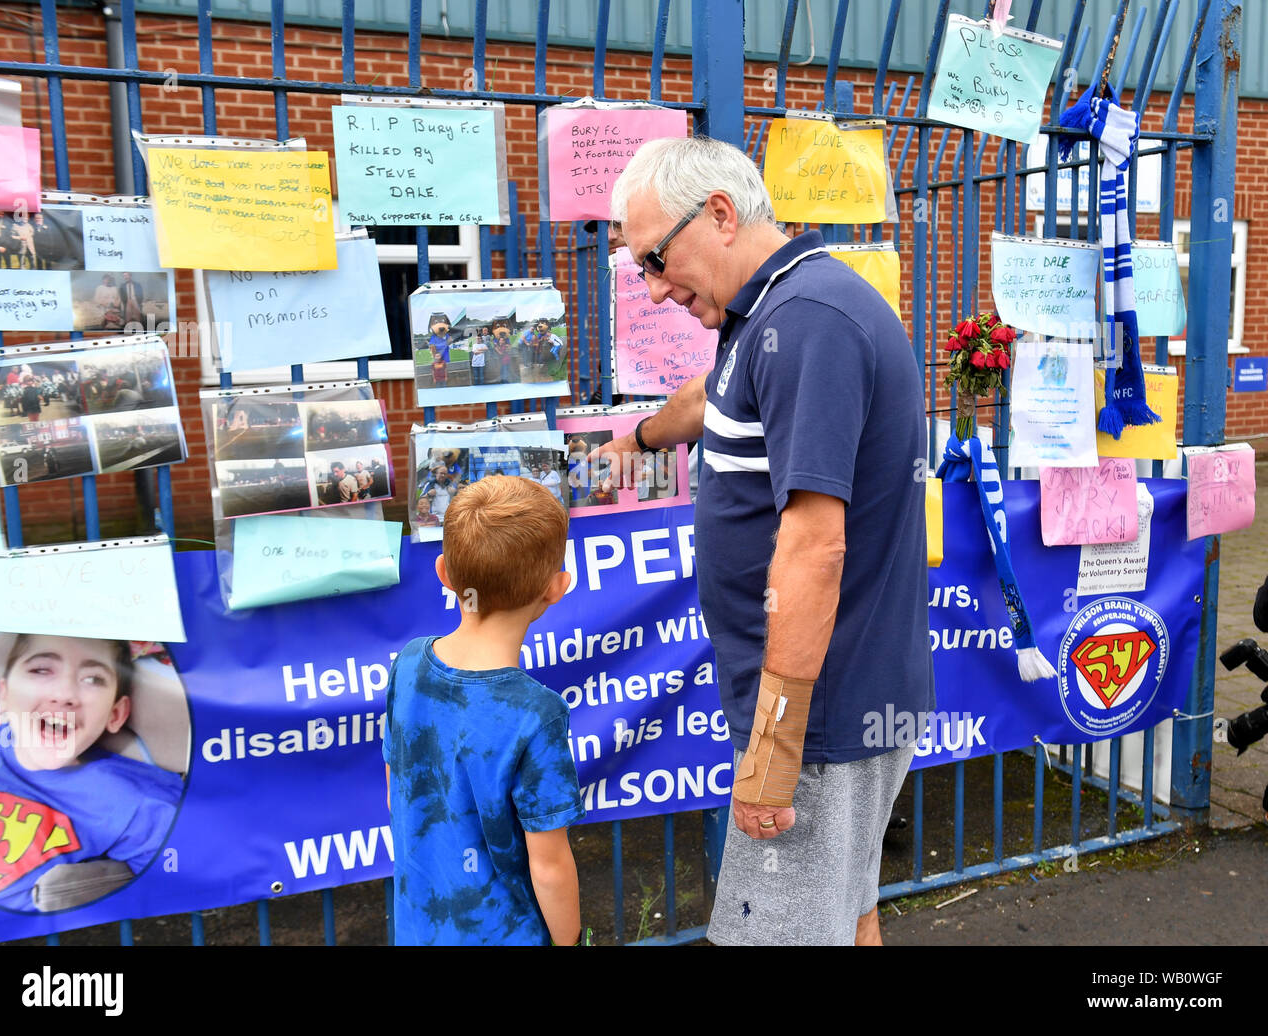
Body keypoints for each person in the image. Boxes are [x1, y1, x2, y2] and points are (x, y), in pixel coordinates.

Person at [595, 136, 933, 946]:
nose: (649, 289)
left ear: (717, 214)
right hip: (837, 703)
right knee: (844, 917)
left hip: (817, 719)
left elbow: (815, 547)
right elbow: (714, 393)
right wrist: (635, 440)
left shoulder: (805, 322)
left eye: (652, 259)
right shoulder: (774, 311)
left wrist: (773, 754)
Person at [383, 476, 584, 945]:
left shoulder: (409, 663)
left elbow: (397, 791)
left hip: (419, 927)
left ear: (444, 574)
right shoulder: (536, 713)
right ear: (557, 588)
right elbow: (549, 865)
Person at [0, 634, 182, 912]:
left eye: (92, 679)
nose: (64, 694)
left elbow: (181, 890)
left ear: (116, 714)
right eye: (41, 670)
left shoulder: (140, 805)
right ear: (5, 695)